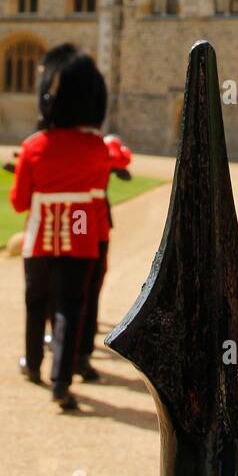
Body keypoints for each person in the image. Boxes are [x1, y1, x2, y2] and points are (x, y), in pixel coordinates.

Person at [9, 50, 111, 411]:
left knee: (36, 303)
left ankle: (33, 364)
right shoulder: (97, 147)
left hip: (39, 238)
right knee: (70, 308)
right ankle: (61, 381)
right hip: (81, 237)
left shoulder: (33, 147)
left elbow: (20, 202)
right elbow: (100, 183)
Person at [75, 132, 132, 382]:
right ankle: (79, 353)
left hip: (72, 218)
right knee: (88, 285)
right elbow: (121, 160)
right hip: (91, 220)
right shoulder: (99, 149)